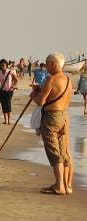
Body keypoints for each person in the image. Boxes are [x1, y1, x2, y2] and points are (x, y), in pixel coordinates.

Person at [31, 53, 73, 195]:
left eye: (47, 63)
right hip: (64, 117)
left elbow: (41, 102)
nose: (46, 66)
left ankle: (59, 185)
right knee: (63, 152)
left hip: (52, 118)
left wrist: (33, 95)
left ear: (54, 64)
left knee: (55, 153)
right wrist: (40, 90)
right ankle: (66, 186)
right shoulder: (68, 79)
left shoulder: (52, 79)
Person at [0, 59, 18, 124]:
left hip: (9, 91)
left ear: (6, 65)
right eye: (1, 65)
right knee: (3, 105)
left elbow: (16, 80)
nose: (2, 66)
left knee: (8, 104)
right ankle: (5, 120)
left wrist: (12, 86)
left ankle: (9, 120)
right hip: (2, 90)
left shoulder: (10, 72)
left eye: (3, 65)